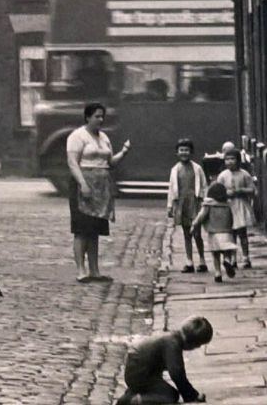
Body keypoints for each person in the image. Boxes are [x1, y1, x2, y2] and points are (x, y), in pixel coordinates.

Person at [67, 102, 131, 283]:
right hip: (84, 183)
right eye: (97, 116)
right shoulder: (77, 136)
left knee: (94, 229)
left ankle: (94, 270)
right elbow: (72, 162)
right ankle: (81, 270)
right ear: (87, 117)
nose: (100, 120)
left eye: (102, 116)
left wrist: (124, 152)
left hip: (101, 187)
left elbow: (110, 163)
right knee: (81, 229)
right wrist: (83, 184)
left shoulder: (104, 138)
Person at [115, 316, 212, 404]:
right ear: (191, 343)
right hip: (140, 376)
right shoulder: (172, 344)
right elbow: (177, 374)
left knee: (167, 392)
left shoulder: (171, 338)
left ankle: (134, 394)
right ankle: (132, 400)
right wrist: (191, 396)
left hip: (140, 372)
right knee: (170, 396)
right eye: (198, 345)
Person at [166, 139, 208, 273]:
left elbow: (204, 186)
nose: (184, 153)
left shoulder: (197, 168)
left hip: (194, 203)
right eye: (181, 150)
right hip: (182, 204)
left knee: (197, 233)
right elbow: (171, 189)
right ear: (177, 152)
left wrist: (204, 201)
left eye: (186, 150)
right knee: (186, 233)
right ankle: (189, 261)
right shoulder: (175, 170)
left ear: (191, 152)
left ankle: (202, 260)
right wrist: (170, 206)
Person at [216, 149, 256, 269]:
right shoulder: (223, 176)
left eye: (232, 159)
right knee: (230, 234)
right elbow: (217, 191)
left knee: (242, 233)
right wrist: (225, 194)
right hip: (228, 206)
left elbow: (252, 189)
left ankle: (246, 257)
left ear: (238, 160)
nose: (229, 162)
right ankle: (233, 259)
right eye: (227, 159)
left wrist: (241, 190)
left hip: (240, 205)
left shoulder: (244, 174)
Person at [191, 182, 237, 282]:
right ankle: (227, 260)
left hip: (214, 233)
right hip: (227, 232)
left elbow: (201, 217)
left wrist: (194, 224)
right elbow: (233, 217)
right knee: (227, 250)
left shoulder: (208, 205)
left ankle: (217, 273)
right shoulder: (228, 205)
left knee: (215, 254)